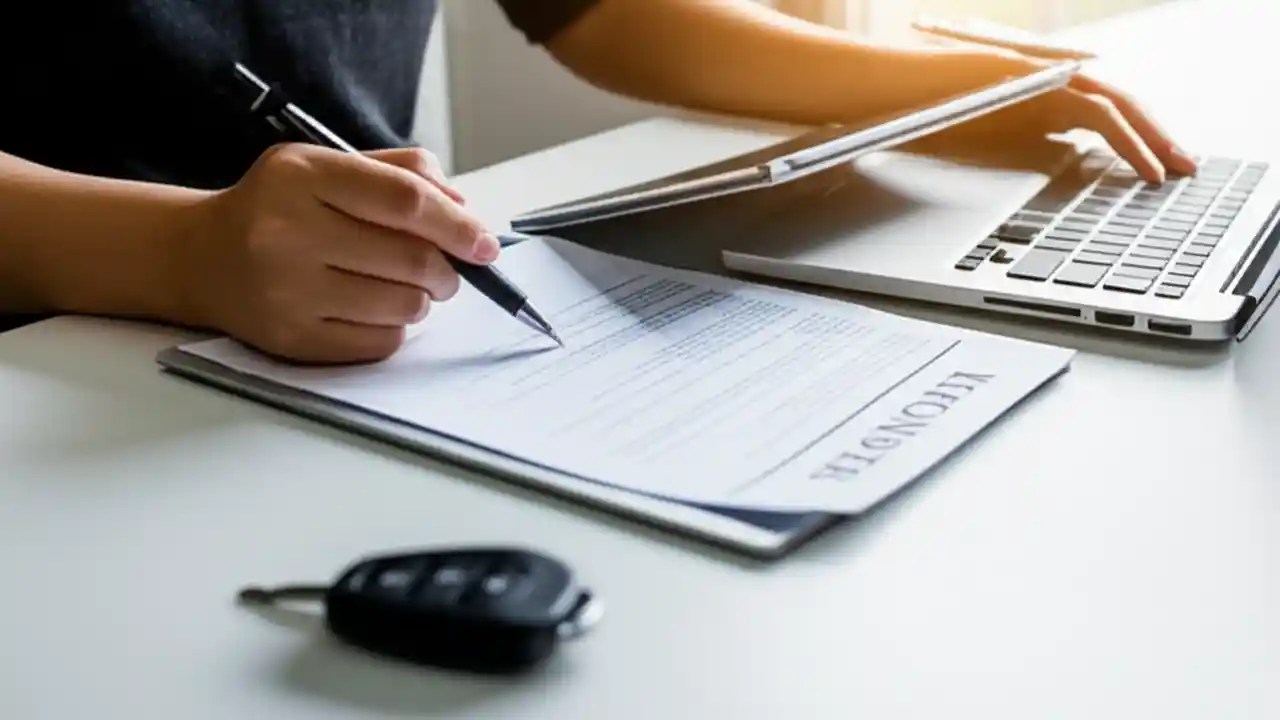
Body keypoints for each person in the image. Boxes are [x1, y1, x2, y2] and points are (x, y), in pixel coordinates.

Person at [0, 0, 1194, 363]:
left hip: (385, 315)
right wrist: (181, 253)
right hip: (53, 366)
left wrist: (929, 86)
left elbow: (603, 11)